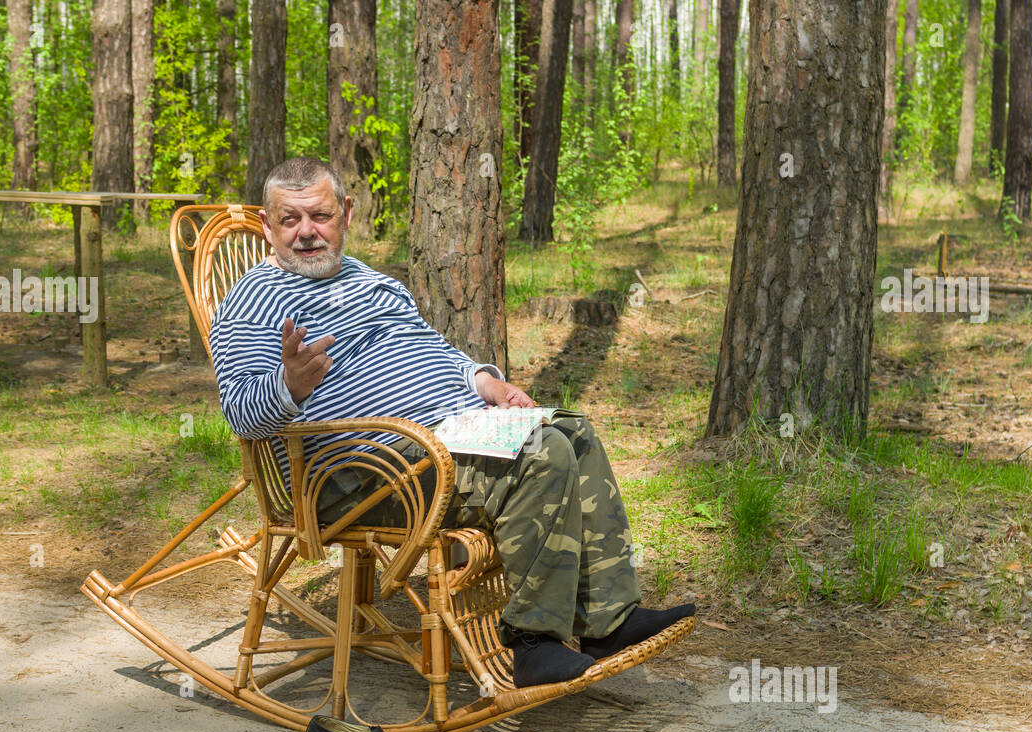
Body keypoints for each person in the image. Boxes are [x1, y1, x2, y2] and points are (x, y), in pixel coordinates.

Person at [210, 157, 693, 688]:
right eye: (289, 220)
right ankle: (534, 643)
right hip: (363, 475)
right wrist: (289, 386)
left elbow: (434, 353)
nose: (306, 233)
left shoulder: (373, 283)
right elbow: (239, 412)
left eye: (319, 216)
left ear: (345, 212)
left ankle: (609, 620)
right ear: (266, 225)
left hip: (440, 442)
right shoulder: (252, 303)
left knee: (571, 431)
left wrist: (487, 382)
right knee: (542, 454)